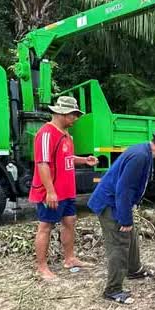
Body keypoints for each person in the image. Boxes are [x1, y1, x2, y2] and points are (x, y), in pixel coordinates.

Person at [87, 127, 155, 304]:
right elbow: (124, 189)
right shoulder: (140, 156)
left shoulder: (144, 152)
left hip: (118, 201)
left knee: (131, 235)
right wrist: (125, 218)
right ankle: (113, 290)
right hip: (110, 203)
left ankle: (134, 269)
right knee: (119, 243)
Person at [29, 96, 99, 280]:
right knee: (46, 226)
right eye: (73, 114)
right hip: (52, 192)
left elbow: (66, 158)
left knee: (70, 221)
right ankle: (42, 267)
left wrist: (83, 160)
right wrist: (50, 191)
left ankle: (69, 259)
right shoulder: (46, 134)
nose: (75, 118)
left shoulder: (66, 135)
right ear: (62, 113)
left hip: (67, 191)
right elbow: (42, 164)